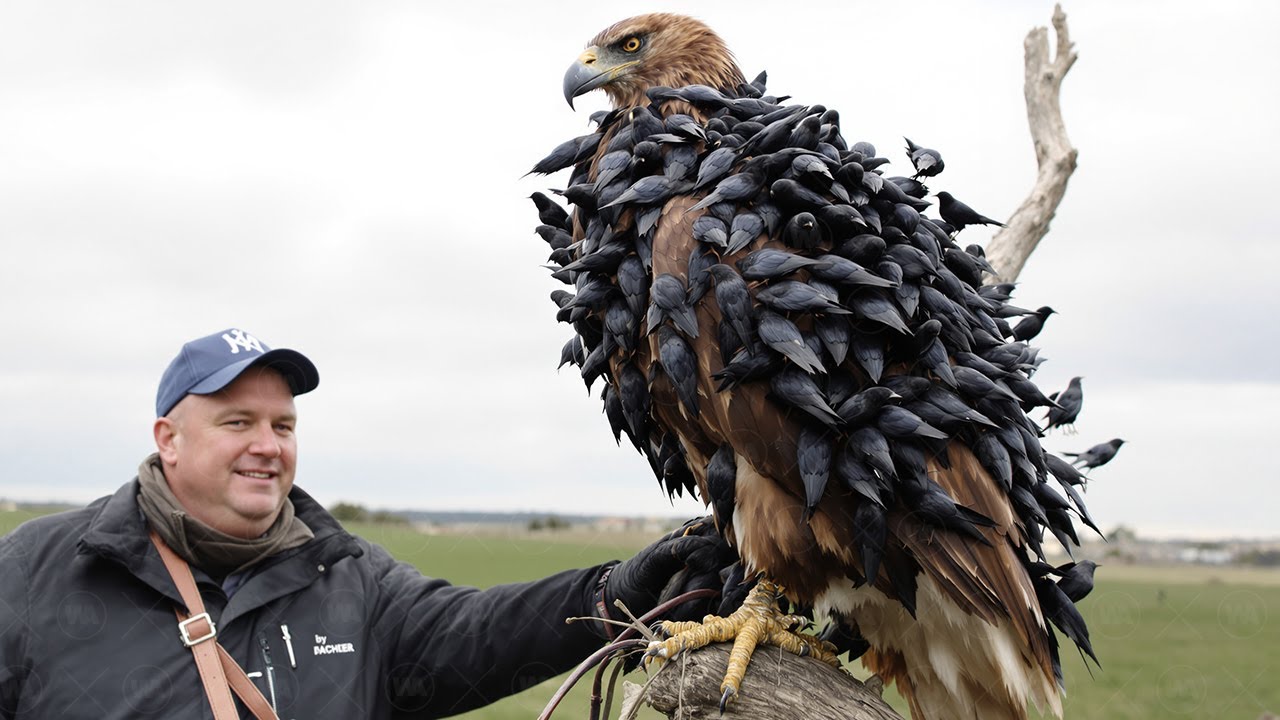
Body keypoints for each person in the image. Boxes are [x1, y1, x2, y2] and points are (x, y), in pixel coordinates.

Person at [0, 328, 731, 718]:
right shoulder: (38, 570)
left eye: (283, 424)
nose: (268, 444)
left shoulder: (348, 578)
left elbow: (478, 634)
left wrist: (617, 595)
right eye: (238, 422)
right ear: (169, 439)